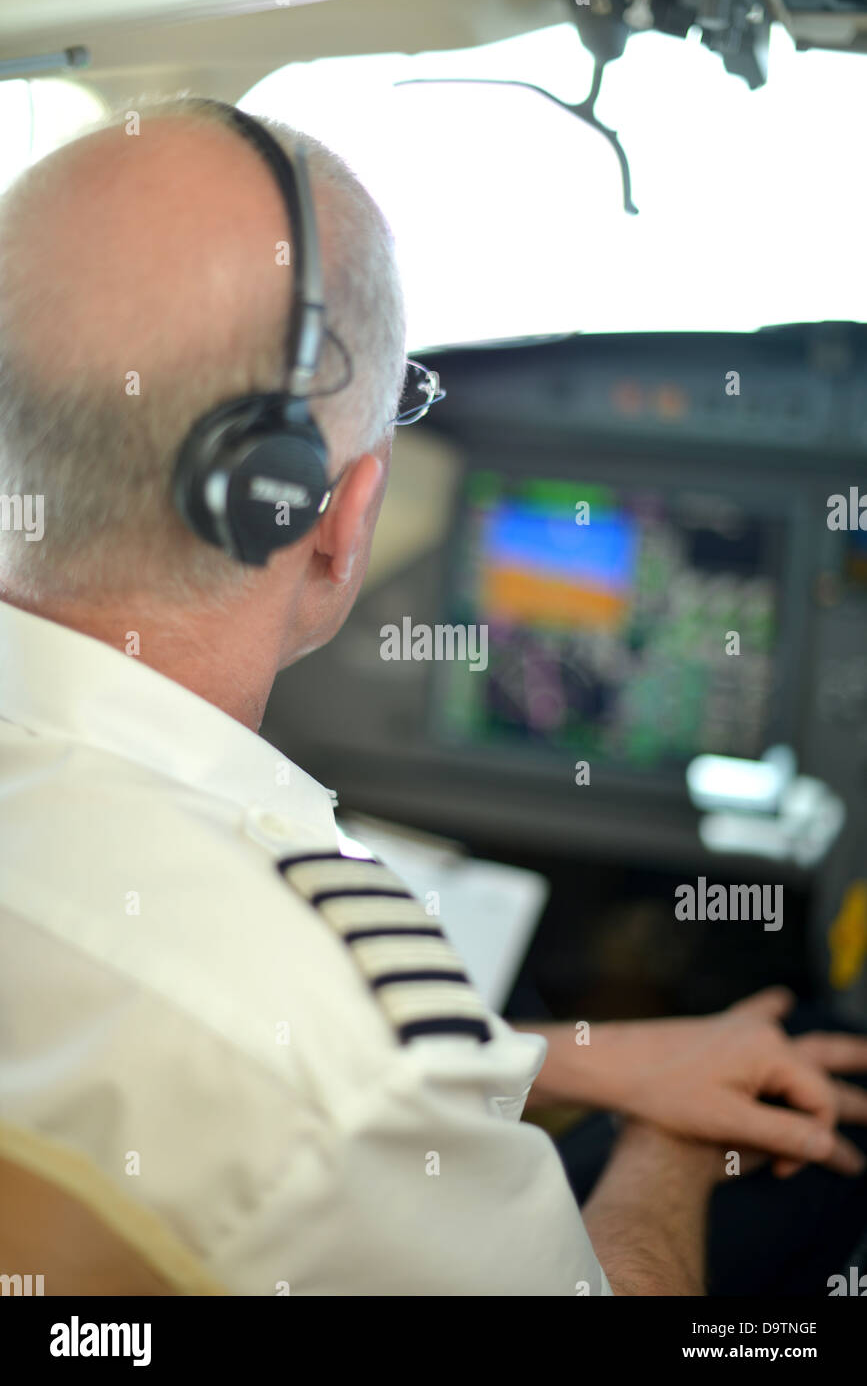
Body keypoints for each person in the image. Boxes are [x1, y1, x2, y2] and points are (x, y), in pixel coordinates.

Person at [0, 97, 866, 1296]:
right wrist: (675, 1140)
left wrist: (589, 1058)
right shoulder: (348, 1046)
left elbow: (240, 1042)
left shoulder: (323, 1034)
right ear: (329, 516)